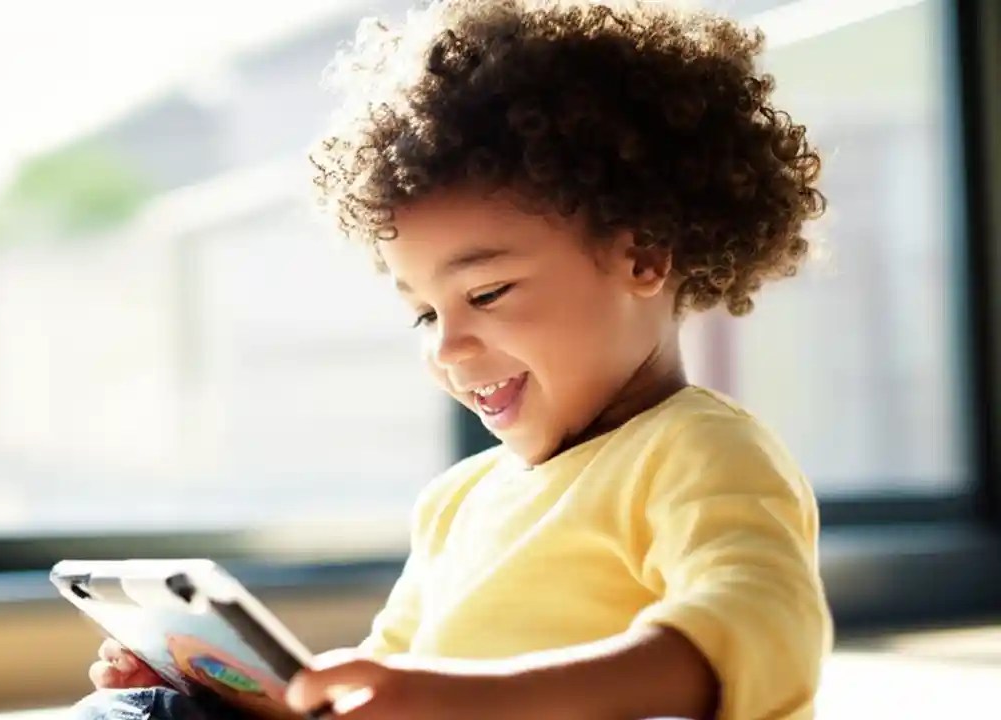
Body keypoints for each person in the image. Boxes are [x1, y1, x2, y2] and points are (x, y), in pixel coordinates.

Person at [82, 0, 832, 717]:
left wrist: (480, 701)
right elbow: (390, 685)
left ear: (642, 257)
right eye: (425, 313)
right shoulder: (456, 503)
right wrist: (227, 689)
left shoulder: (700, 450)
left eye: (488, 292)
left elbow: (760, 628)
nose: (446, 346)